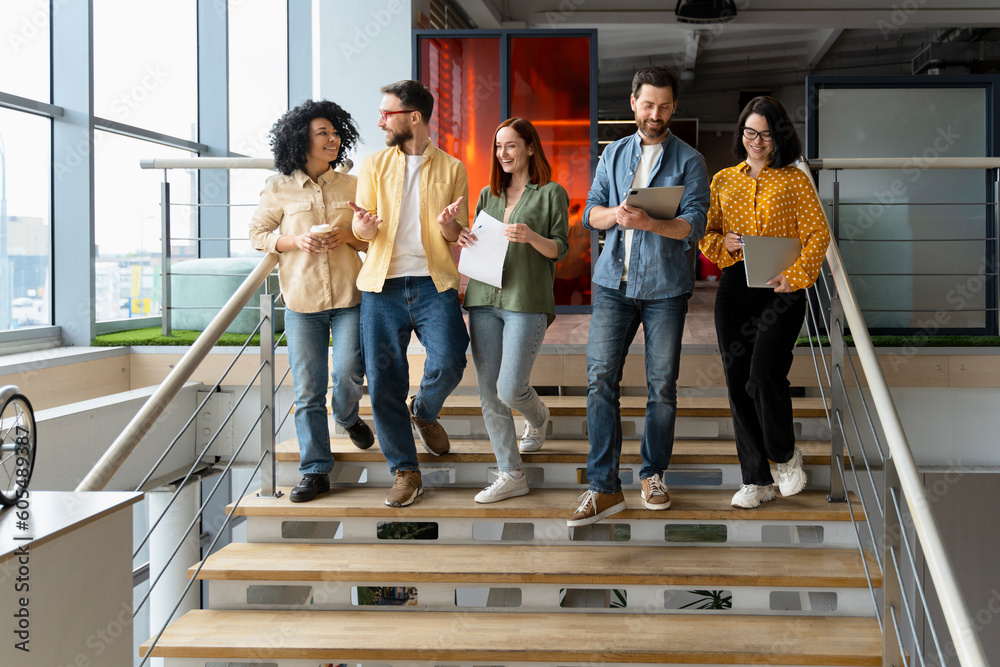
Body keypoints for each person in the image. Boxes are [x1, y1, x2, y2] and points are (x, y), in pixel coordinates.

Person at [570, 65, 710, 527]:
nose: (656, 114)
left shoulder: (690, 160)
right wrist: (614, 214)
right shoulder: (612, 154)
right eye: (648, 105)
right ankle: (604, 487)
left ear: (674, 107)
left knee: (661, 387)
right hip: (614, 283)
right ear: (633, 102)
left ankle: (653, 474)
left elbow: (694, 225)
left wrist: (651, 223)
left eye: (665, 106)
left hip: (665, 288)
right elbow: (590, 212)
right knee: (599, 381)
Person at [698, 95, 831, 509]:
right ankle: (756, 479)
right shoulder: (723, 180)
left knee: (764, 375)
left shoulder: (794, 180)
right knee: (738, 384)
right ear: (742, 134)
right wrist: (724, 242)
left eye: (766, 134)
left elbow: (818, 236)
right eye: (750, 132)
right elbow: (706, 234)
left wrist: (794, 277)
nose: (757, 140)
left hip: (782, 291)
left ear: (779, 136)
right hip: (736, 288)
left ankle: (785, 454)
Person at [349, 80, 470, 508]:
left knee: (453, 356)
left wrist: (448, 225)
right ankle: (405, 470)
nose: (381, 120)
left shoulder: (453, 168)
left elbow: (458, 235)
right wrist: (363, 226)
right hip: (382, 287)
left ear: (413, 117)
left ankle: (425, 409)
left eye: (388, 113)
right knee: (384, 382)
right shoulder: (374, 165)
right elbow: (362, 233)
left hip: (433, 282)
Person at [249, 99, 375, 503]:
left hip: (350, 296)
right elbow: (258, 234)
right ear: (301, 139)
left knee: (350, 371)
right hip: (302, 302)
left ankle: (348, 415)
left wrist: (351, 238)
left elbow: (373, 239)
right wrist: (294, 241)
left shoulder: (353, 186)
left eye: (336, 133)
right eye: (324, 133)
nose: (333, 139)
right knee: (307, 390)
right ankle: (316, 470)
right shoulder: (278, 187)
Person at [457, 118, 570, 503]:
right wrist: (454, 232)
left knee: (509, 388)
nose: (503, 154)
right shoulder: (487, 195)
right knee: (489, 392)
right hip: (483, 300)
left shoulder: (551, 192)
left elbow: (560, 248)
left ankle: (538, 417)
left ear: (530, 148)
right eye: (498, 146)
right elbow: (478, 242)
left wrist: (531, 236)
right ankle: (511, 473)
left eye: (511, 146)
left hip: (526, 301)